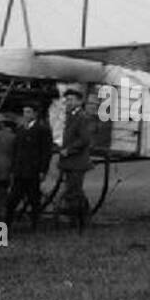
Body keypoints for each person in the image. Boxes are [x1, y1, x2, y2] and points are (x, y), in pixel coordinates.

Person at [7, 101, 53, 232]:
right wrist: (13, 168)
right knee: (12, 199)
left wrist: (43, 170)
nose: (25, 115)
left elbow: (46, 152)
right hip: (20, 171)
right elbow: (16, 150)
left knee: (34, 199)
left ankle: (35, 225)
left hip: (33, 170)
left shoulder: (42, 130)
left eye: (28, 112)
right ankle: (7, 224)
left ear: (35, 114)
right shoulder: (21, 129)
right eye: (24, 112)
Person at [58, 87, 93, 231]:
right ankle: (77, 221)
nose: (68, 102)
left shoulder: (82, 118)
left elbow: (84, 140)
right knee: (73, 191)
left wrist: (69, 149)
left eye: (71, 100)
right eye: (67, 100)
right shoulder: (69, 116)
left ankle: (80, 223)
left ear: (79, 102)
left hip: (77, 161)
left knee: (75, 192)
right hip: (70, 161)